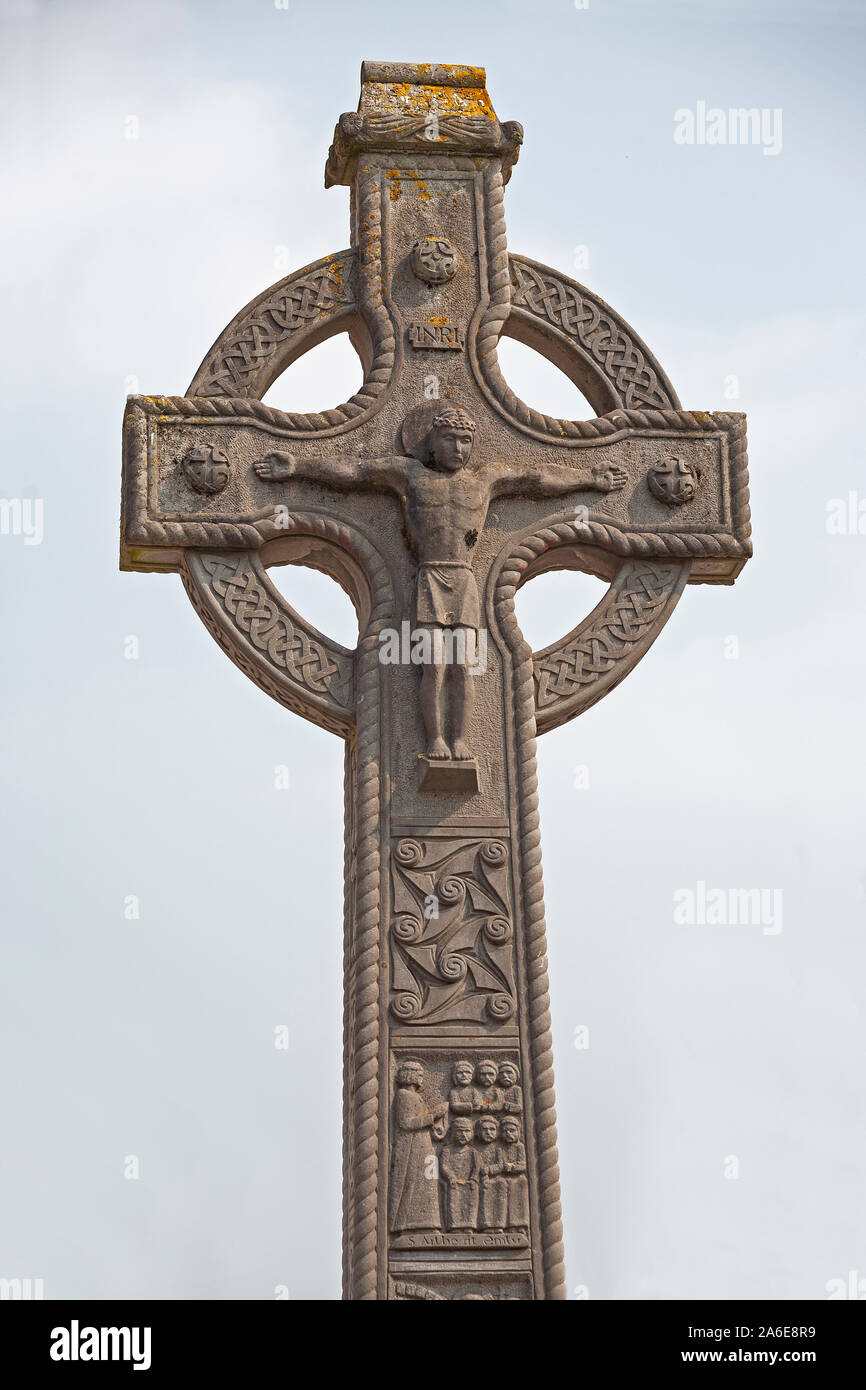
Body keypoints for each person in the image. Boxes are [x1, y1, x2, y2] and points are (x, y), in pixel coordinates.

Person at [253, 409, 626, 761]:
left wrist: (590, 479)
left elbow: (537, 478)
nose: (458, 449)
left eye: (465, 442)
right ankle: (434, 738)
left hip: (463, 579)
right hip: (429, 576)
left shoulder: (486, 479)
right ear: (432, 443)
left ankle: (460, 738)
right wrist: (298, 467)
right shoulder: (410, 475)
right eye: (449, 440)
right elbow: (353, 471)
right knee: (433, 663)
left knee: (463, 664)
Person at [388, 1060, 447, 1234]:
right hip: (412, 1147)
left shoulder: (415, 1096)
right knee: (413, 1182)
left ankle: (429, 1223)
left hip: (423, 1144)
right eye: (419, 1074)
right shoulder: (404, 1095)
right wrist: (434, 1115)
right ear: (410, 1075)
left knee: (428, 1180)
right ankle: (407, 1224)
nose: (422, 1078)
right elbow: (406, 1123)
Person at [439, 1118, 481, 1231]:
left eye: (467, 1131)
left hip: (469, 1182)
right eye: (459, 1131)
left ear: (472, 1133)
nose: (463, 1135)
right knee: (454, 1199)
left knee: (470, 1200)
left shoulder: (473, 1152)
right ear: (452, 1133)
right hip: (453, 1182)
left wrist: (473, 1179)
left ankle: (469, 1226)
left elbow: (476, 1168)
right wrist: (450, 1176)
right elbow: (444, 1166)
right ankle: (455, 1226)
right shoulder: (447, 1150)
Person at [477, 1116, 507, 1232]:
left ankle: (499, 1224)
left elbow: (500, 1165)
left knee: (501, 1183)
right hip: (479, 1178)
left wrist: (489, 1170)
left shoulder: (497, 1149)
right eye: (485, 1130)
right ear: (478, 1132)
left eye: (492, 1129)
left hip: (493, 1177)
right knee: (484, 1188)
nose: (488, 1132)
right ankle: (486, 1225)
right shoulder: (476, 1149)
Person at [499, 1116, 529, 1230]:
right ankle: (502, 1224)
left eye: (512, 1131)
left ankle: (519, 1224)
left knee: (519, 1184)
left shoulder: (519, 1147)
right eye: (505, 1131)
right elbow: (500, 1163)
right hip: (503, 1177)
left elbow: (523, 1164)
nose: (508, 1134)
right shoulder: (500, 1148)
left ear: (518, 1132)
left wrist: (512, 1167)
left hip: (517, 1177)